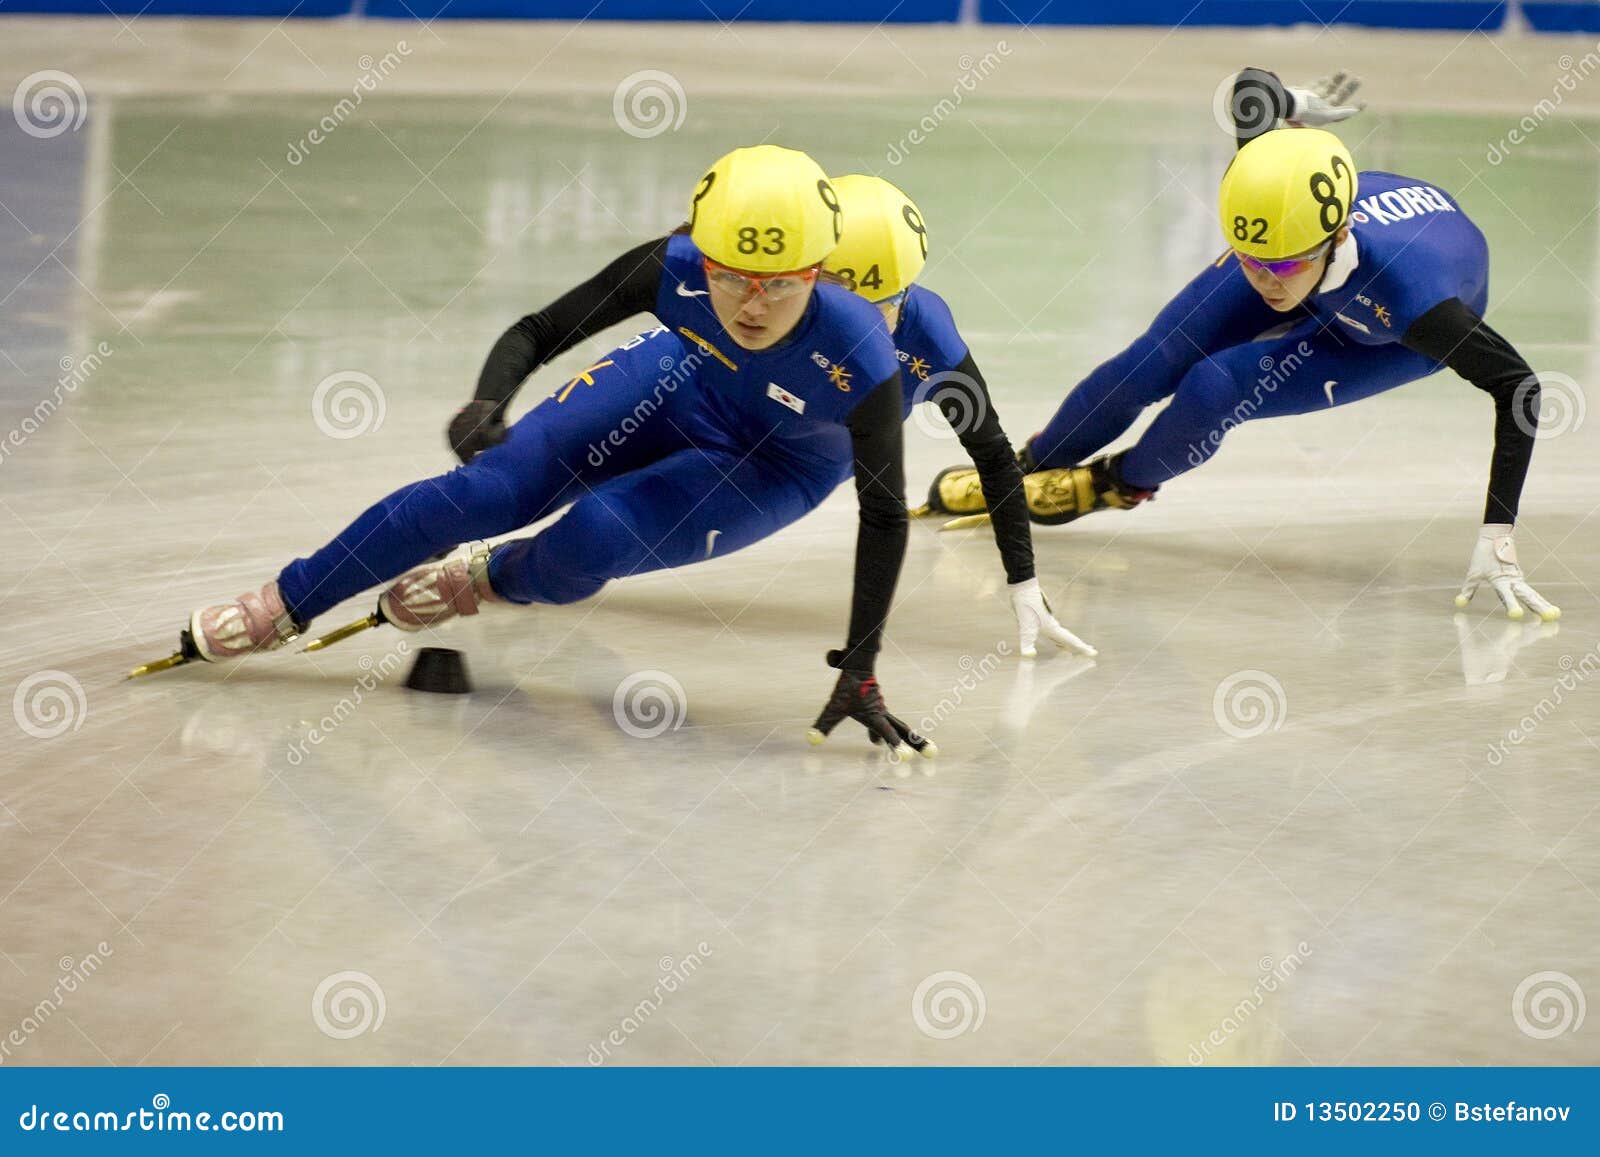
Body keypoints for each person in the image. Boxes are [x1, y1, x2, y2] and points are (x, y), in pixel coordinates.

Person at [162, 146, 931, 755]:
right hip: (679, 386)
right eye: (732, 279)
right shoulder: (674, 268)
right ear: (702, 252)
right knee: (481, 494)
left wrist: (860, 667)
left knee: (592, 539)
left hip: (773, 466)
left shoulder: (864, 354)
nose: (753, 304)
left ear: (817, 273)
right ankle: (282, 602)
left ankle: (489, 580)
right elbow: (538, 329)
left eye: (779, 285)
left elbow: (886, 514)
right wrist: (487, 401)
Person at [920, 69, 1561, 621]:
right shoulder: (1271, 204)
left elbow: (1521, 389)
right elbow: (1249, 88)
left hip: (1386, 331)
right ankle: (1028, 464)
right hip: (1319, 250)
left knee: (1216, 386)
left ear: (1335, 237)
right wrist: (1290, 106)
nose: (1263, 283)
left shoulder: (1418, 302)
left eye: (1278, 269)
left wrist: (1498, 534)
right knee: (1151, 361)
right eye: (1247, 261)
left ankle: (1114, 484)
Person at [820, 173, 1093, 660]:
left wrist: (1023, 582)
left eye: (891, 302)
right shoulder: (772, 294)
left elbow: (992, 455)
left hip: (816, 450)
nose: (876, 322)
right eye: (855, 304)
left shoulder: (930, 339)